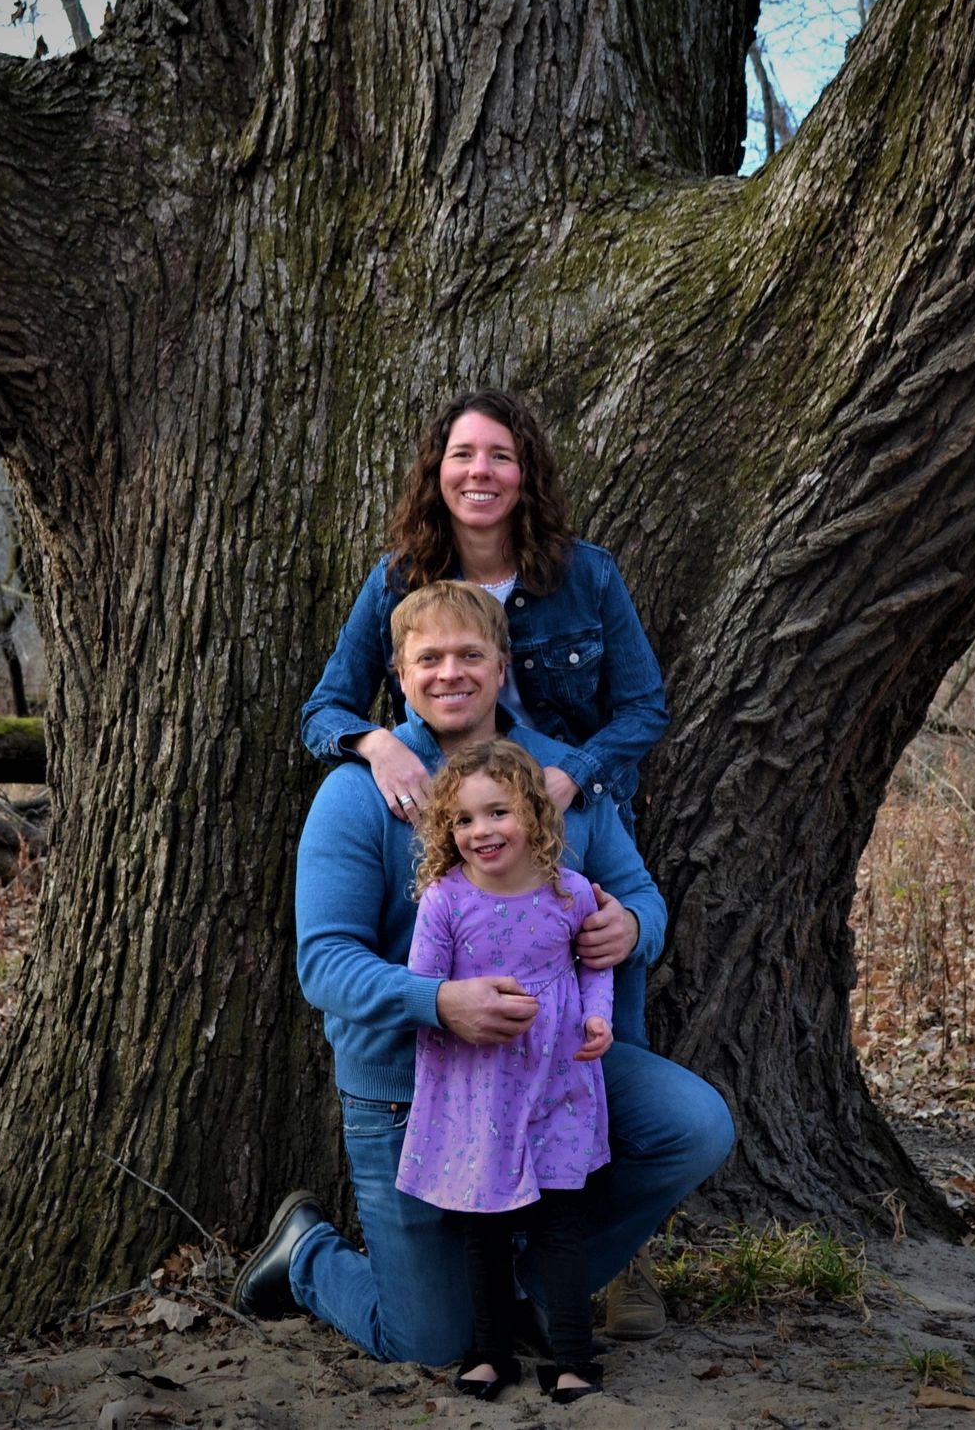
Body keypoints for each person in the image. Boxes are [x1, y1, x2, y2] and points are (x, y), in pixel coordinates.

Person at [237, 581, 731, 1368]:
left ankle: (535, 1286)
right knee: (433, 1344)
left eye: (471, 654)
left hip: (551, 1066)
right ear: (399, 676)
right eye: (427, 658)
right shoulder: (357, 795)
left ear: (503, 667)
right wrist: (437, 1000)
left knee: (694, 1124)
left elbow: (640, 894)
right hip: (409, 1086)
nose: (450, 672)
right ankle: (306, 1256)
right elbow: (323, 963)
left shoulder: (559, 782)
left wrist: (631, 925)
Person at [300, 388, 668, 833]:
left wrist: (574, 775)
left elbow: (644, 707)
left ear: (524, 474)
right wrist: (378, 745)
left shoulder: (588, 575)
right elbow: (324, 711)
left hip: (572, 818)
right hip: (453, 821)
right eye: (462, 455)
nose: (479, 471)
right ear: (439, 472)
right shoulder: (397, 582)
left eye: (500, 456)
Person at [401, 739, 613, 1402]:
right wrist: (450, 1008)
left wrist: (596, 1017)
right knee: (483, 1223)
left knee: (559, 1221)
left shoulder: (569, 892)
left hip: (557, 1079)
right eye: (463, 820)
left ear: (536, 814)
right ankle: (490, 1351)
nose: (480, 831)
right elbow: (422, 986)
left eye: (497, 812)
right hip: (476, 1081)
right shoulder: (445, 900)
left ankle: (574, 1358)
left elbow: (594, 960)